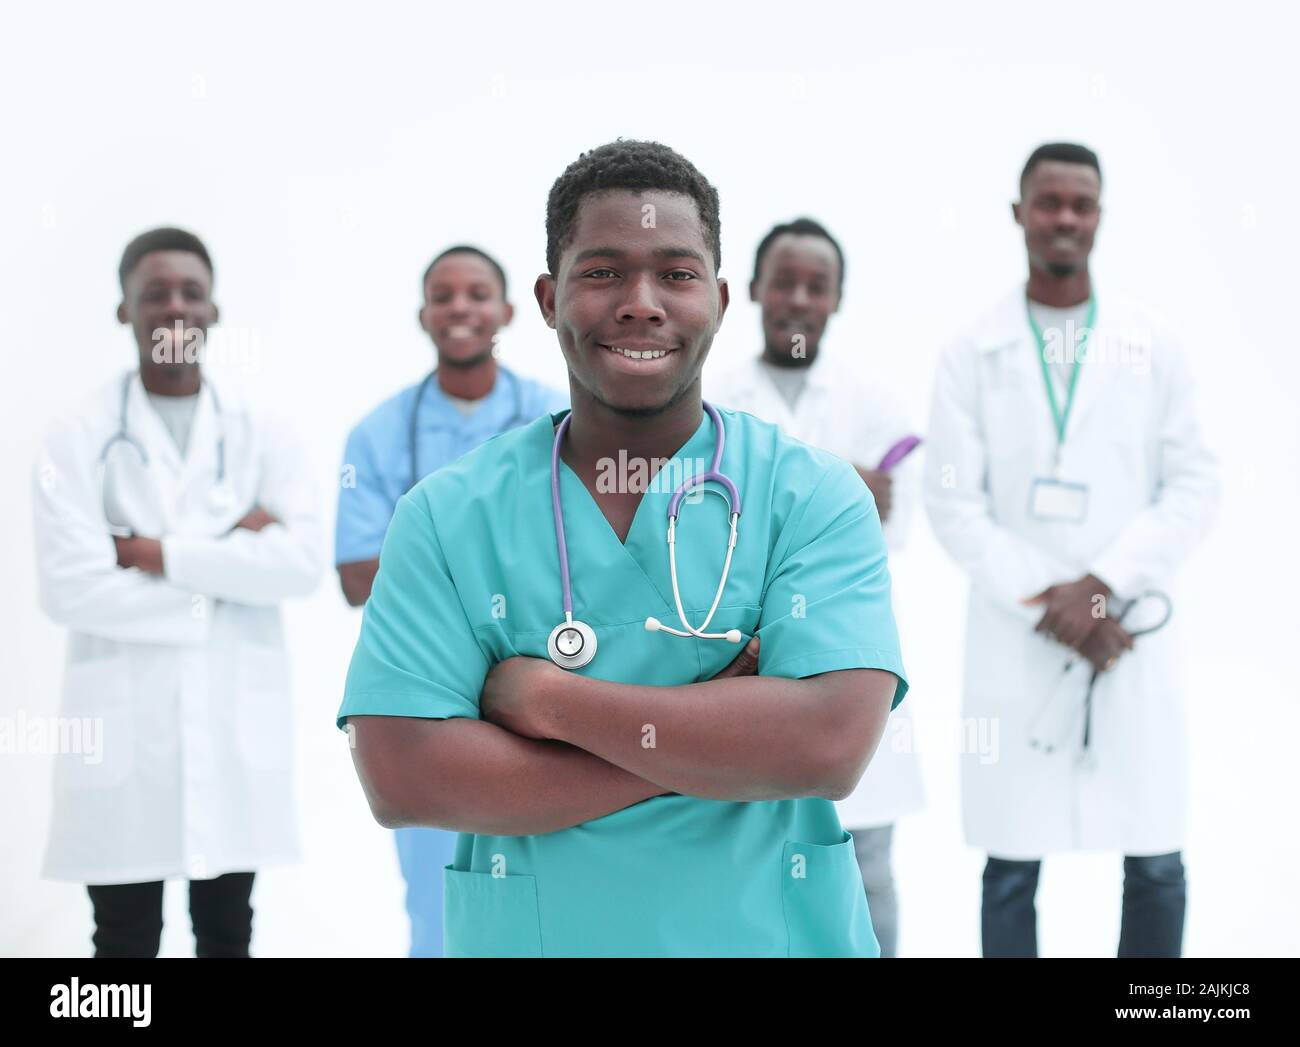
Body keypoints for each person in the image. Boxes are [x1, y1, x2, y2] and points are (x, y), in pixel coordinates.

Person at [337, 139, 909, 957]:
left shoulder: (810, 497)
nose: (641, 303)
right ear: (546, 298)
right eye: (602, 272)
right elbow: (402, 773)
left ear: (715, 298)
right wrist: (717, 740)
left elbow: (825, 745)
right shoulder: (447, 515)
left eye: (675, 274)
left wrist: (549, 705)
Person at [922, 143, 1219, 958]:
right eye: (1047, 201)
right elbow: (951, 500)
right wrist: (1058, 599)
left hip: (1126, 627)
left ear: (1098, 217)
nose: (1063, 217)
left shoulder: (1153, 344)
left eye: (1079, 204)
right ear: (1018, 213)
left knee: (1156, 856)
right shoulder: (969, 351)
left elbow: (1194, 486)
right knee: (1012, 864)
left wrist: (1099, 588)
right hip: (1021, 632)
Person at [33, 227, 325, 957]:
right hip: (125, 736)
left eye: (191, 292)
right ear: (123, 312)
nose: (175, 307)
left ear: (215, 310)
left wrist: (150, 554)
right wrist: (229, 567)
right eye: (154, 294)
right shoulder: (78, 436)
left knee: (228, 933)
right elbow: (70, 589)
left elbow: (299, 563)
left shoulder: (264, 432)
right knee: (124, 937)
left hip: (233, 731)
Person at [335, 245, 565, 957]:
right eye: (444, 295)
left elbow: (589, 558)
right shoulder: (376, 434)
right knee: (440, 905)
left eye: (476, 294)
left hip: (547, 689)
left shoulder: (559, 421)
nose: (460, 307)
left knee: (560, 891)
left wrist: (424, 559)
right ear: (423, 314)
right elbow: (353, 577)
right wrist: (494, 564)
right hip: (425, 694)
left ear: (506, 310)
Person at [705, 217, 924, 957]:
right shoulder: (711, 397)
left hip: (847, 659)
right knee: (744, 875)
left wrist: (778, 505)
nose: (798, 298)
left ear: (836, 298)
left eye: (816, 285)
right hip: (738, 664)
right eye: (784, 282)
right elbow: (707, 545)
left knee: (866, 872)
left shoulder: (876, 401)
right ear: (755, 289)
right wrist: (842, 486)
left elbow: (890, 527)